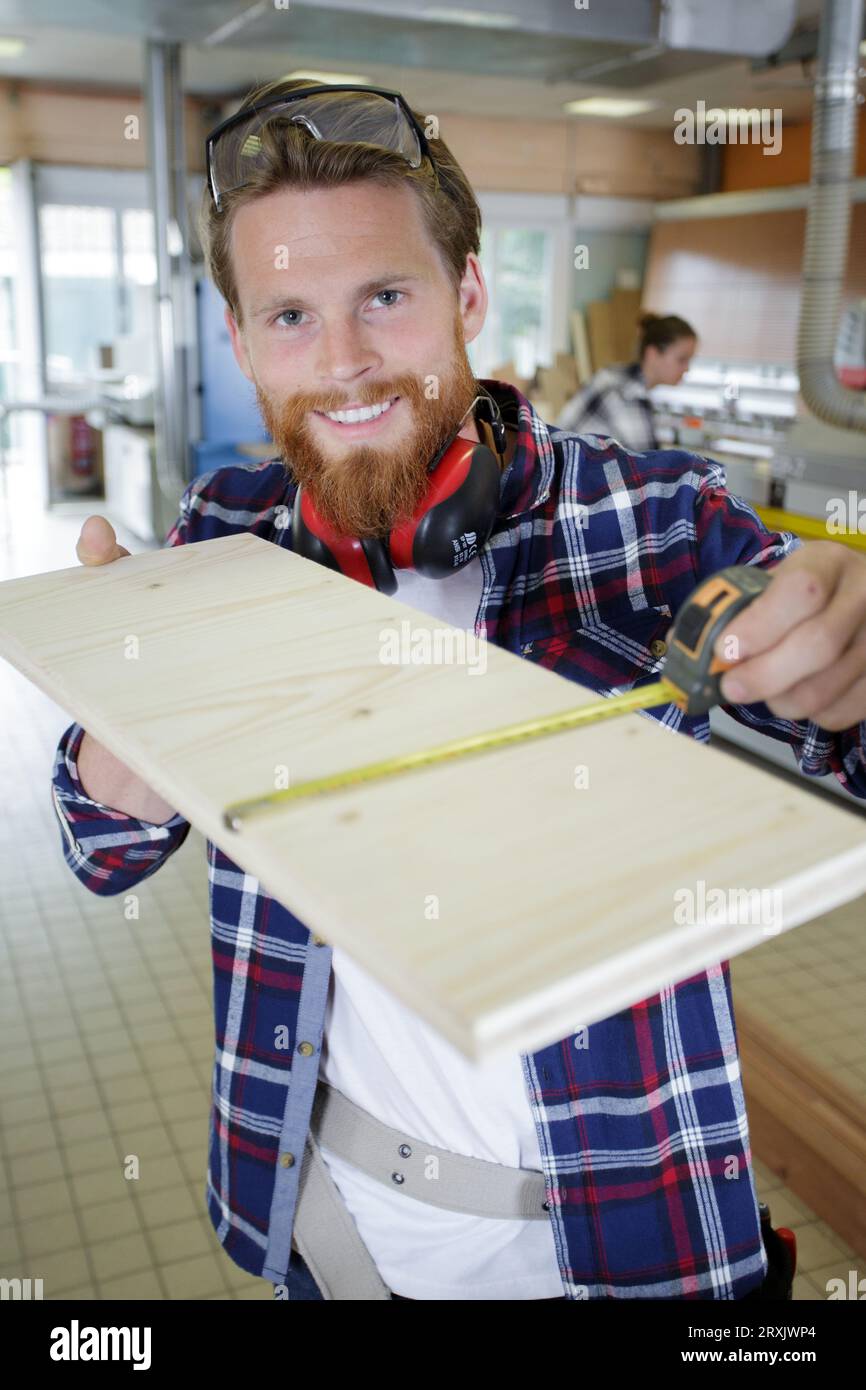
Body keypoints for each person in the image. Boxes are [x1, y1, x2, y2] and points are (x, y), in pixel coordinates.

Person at [52, 79, 866, 1302]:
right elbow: (97, 853)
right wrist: (129, 718)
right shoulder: (224, 535)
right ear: (237, 339)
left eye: (385, 296)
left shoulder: (642, 522)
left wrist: (843, 660)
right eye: (287, 316)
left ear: (467, 293)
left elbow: (832, 702)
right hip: (321, 1220)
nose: (342, 364)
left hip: (628, 1233)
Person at [557, 311, 697, 450]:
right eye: (682, 359)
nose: (687, 368)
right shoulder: (625, 393)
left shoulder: (616, 375)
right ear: (653, 354)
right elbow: (647, 464)